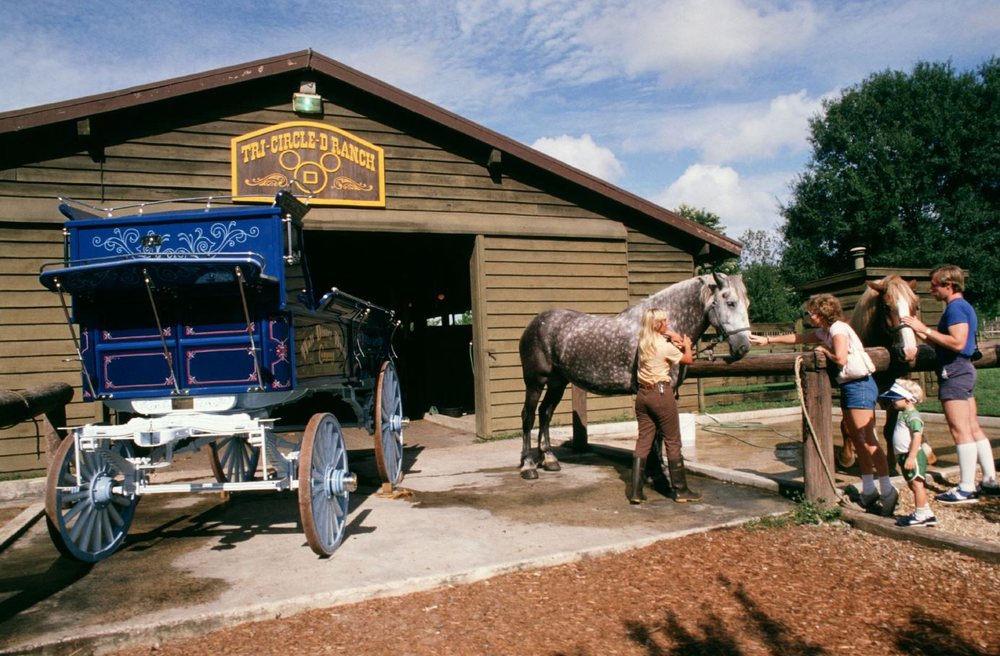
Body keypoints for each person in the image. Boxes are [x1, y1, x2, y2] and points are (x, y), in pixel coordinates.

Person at [750, 293, 898, 516]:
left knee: (868, 440)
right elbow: (800, 338)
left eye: (812, 312)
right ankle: (869, 490)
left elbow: (840, 358)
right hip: (850, 386)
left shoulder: (838, 329)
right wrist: (768, 340)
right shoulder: (827, 331)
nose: (810, 316)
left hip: (860, 386)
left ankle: (887, 490)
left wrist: (823, 351)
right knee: (858, 440)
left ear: (822, 313)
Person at [901, 265, 999, 503]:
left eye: (935, 285)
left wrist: (924, 328)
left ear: (949, 285)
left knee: (960, 430)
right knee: (973, 427)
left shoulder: (955, 308)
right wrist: (920, 332)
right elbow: (947, 343)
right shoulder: (962, 307)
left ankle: (966, 487)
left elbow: (957, 343)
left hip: (954, 372)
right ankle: (989, 480)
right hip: (963, 369)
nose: (931, 289)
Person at [631, 308, 695, 504]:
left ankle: (635, 492)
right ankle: (681, 490)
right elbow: (688, 360)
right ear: (658, 325)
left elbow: (659, 334)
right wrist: (687, 345)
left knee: (643, 441)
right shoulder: (664, 347)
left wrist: (671, 335)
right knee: (673, 441)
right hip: (661, 394)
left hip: (643, 396)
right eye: (665, 321)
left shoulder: (643, 342)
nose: (668, 324)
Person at [879, 379, 936, 527]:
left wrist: (911, 457)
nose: (892, 401)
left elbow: (917, 436)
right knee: (913, 484)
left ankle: (921, 515)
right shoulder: (903, 413)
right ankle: (925, 511)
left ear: (907, 399)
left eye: (895, 398)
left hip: (912, 456)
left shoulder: (913, 416)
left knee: (917, 485)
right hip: (904, 455)